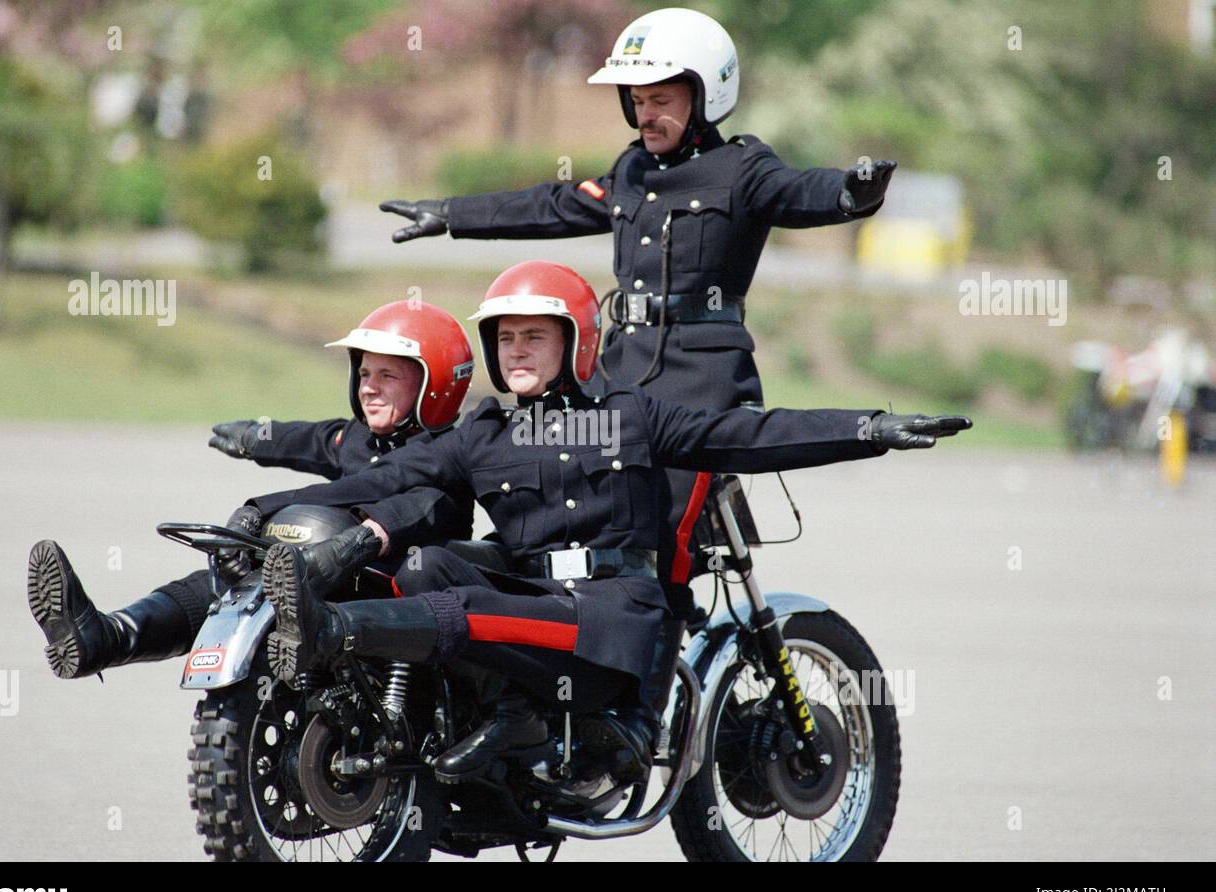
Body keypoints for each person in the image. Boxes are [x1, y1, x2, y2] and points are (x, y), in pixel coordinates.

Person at [245, 261, 969, 784]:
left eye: (535, 336)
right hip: (529, 616)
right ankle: (491, 721)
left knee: (462, 604)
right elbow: (385, 477)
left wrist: (871, 428)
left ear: (575, 345)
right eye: (506, 338)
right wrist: (260, 518)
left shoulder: (632, 415)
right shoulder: (484, 430)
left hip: (609, 624)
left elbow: (751, 434)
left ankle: (331, 630)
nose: (518, 351)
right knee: (427, 565)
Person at [377, 7, 899, 620]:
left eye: (661, 99)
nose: (647, 113)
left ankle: (656, 642)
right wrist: (451, 214)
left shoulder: (742, 168)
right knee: (564, 479)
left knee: (666, 519)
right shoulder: (631, 170)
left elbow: (798, 191)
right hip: (622, 367)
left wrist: (848, 193)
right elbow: (554, 204)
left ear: (705, 95)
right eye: (637, 99)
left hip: (703, 376)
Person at [25, 301, 475, 680]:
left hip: (398, 610)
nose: (369, 388)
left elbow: (374, 486)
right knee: (229, 580)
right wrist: (253, 437)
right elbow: (310, 439)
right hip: (325, 588)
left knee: (310, 542)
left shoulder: (447, 452)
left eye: (388, 376)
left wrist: (259, 509)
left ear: (434, 384)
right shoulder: (359, 438)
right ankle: (110, 636)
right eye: (364, 373)